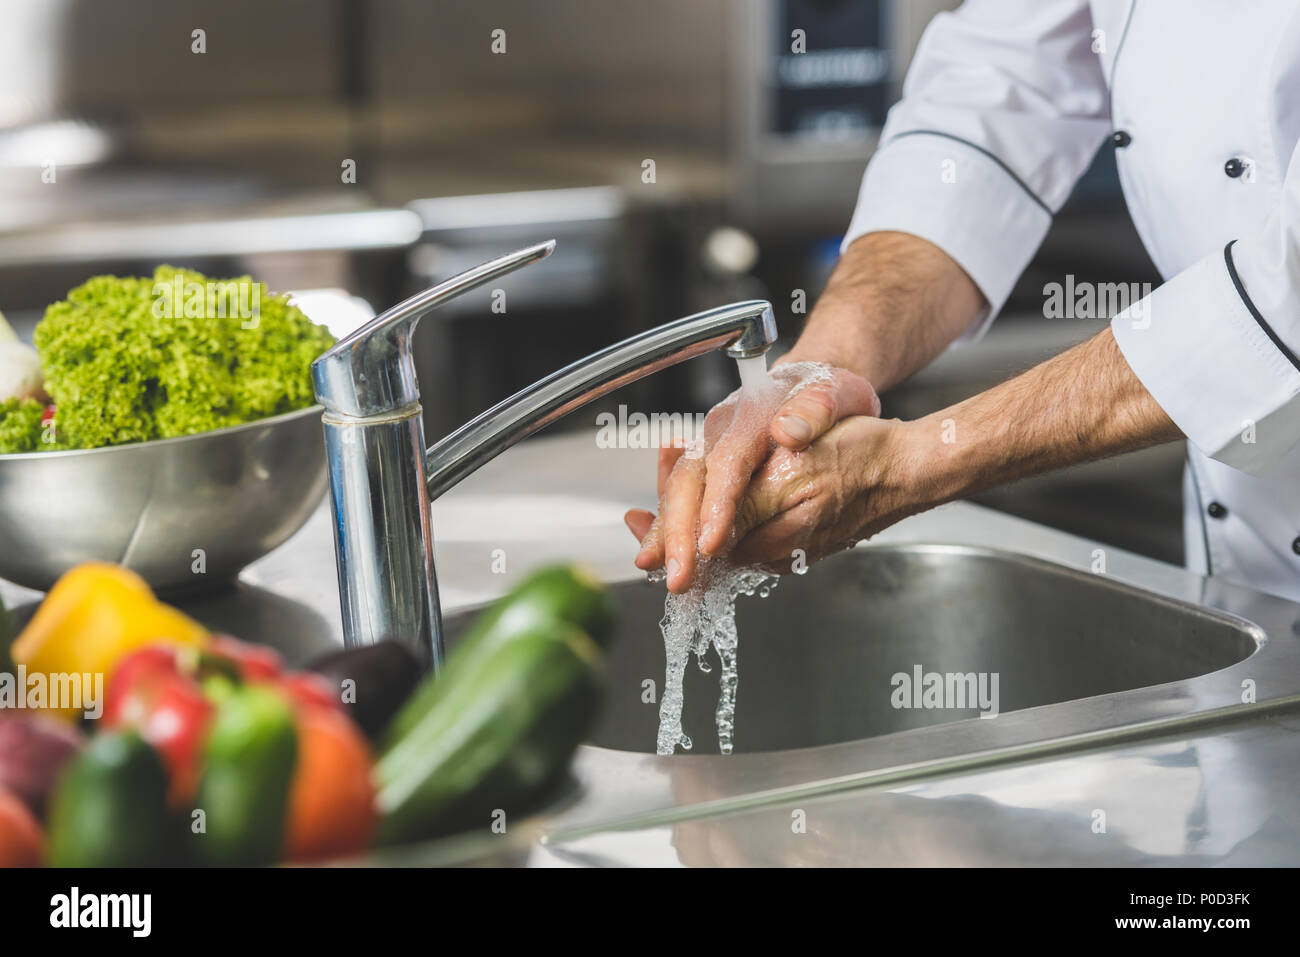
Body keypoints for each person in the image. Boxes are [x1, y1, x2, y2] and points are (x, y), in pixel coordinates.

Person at [624, 0, 1300, 601]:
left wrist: (908, 464)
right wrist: (810, 381)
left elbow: (1285, 292)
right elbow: (991, 103)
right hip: (1256, 586)